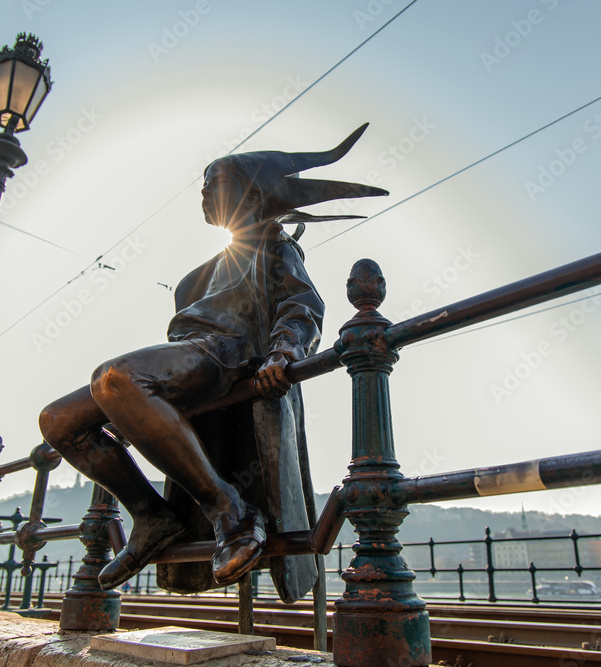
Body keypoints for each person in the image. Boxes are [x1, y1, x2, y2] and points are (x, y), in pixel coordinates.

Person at [38, 124, 387, 600]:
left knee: (116, 378)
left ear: (249, 193)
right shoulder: (198, 277)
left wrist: (285, 351)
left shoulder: (273, 245)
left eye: (214, 185)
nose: (203, 193)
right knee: (58, 421)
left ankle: (231, 510)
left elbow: (302, 305)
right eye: (202, 185)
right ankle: (150, 514)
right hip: (191, 360)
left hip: (225, 357)